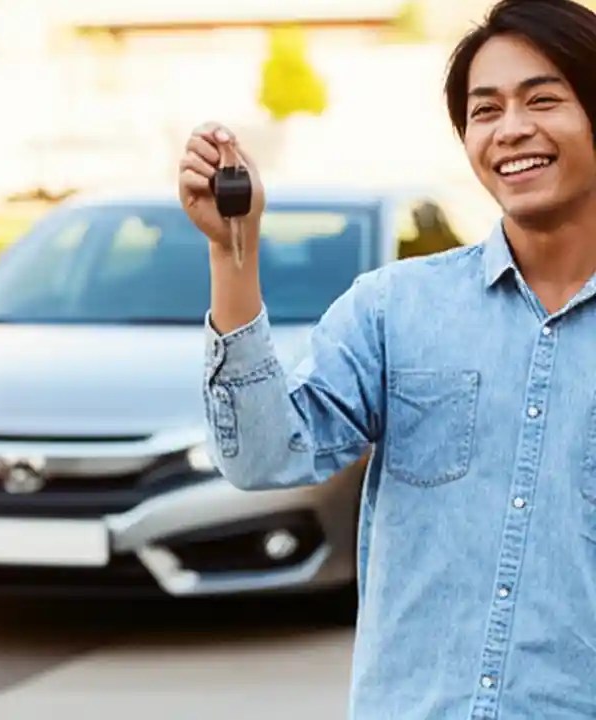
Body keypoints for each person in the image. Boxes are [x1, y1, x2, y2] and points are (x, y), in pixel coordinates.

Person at [178, 0, 596, 717]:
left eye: (542, 99)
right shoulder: (393, 308)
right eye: (485, 110)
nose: (511, 129)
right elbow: (264, 457)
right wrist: (232, 252)